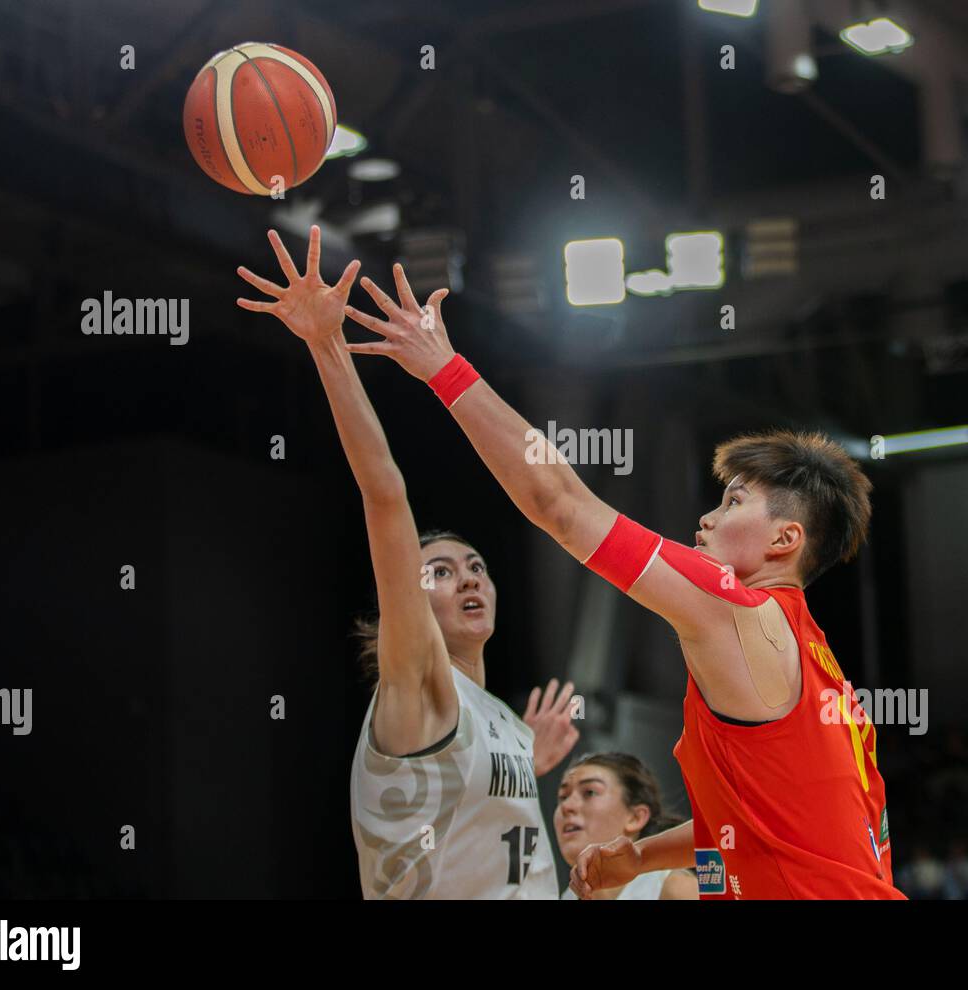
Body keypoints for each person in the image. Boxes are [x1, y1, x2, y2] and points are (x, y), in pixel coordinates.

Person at [339, 261, 905, 900]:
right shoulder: (823, 674)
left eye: (734, 502)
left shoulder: (734, 610)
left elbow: (560, 503)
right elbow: (746, 827)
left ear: (785, 540)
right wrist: (636, 856)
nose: (708, 516)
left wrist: (443, 367)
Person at [236, 227, 578, 898]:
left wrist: (525, 757)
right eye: (442, 572)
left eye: (475, 565)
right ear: (412, 603)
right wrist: (327, 344)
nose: (470, 576)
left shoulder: (498, 720)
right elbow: (385, 492)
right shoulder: (419, 685)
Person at [554, 753, 696, 900]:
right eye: (563, 796)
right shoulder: (566, 896)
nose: (567, 806)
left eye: (589, 792)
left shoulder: (676, 888)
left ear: (635, 818)